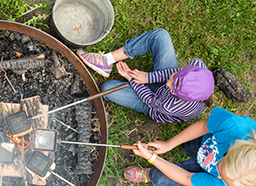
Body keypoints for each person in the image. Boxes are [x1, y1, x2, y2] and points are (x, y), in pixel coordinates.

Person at [124, 106, 256, 186]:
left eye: (223, 178)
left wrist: (152, 159)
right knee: (190, 145)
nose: (218, 176)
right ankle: (190, 151)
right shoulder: (233, 126)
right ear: (230, 151)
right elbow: (204, 126)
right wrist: (169, 144)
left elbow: (186, 177)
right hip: (207, 142)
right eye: (221, 171)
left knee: (160, 178)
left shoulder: (227, 183)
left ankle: (149, 174)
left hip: (203, 167)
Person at [77, 29, 213, 124]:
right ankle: (107, 60)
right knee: (161, 36)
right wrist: (148, 77)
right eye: (173, 78)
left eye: (172, 88)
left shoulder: (171, 105)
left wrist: (132, 79)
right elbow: (171, 74)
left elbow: (151, 100)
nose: (167, 84)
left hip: (153, 105)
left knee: (107, 88)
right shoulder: (196, 66)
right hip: (161, 95)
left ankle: (133, 85)